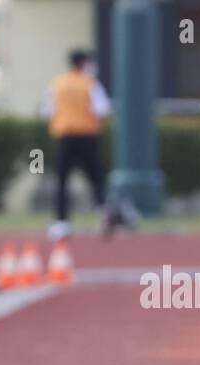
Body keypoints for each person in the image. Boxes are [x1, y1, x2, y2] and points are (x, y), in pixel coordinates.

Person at [42, 49, 122, 240]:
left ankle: (61, 222)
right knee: (96, 177)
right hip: (87, 136)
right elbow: (102, 110)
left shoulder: (57, 84)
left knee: (62, 180)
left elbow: (47, 111)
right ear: (84, 63)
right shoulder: (90, 84)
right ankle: (103, 211)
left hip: (64, 137)